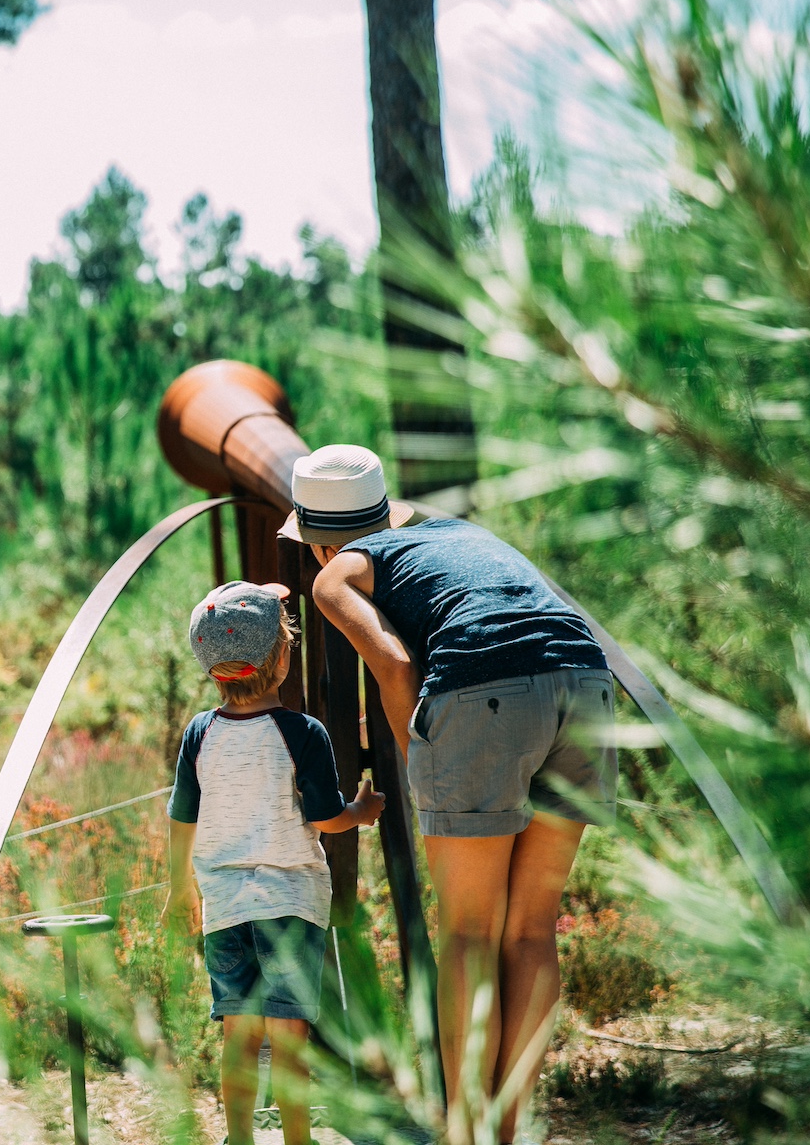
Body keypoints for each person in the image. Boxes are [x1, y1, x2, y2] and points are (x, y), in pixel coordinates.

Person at [283, 443, 616, 1144]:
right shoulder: (455, 534)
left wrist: (417, 757)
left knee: (468, 931)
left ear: (316, 540)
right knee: (530, 928)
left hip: (484, 691)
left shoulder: (337, 571)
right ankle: (506, 1129)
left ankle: (465, 1133)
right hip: (586, 682)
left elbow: (394, 660)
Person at [164, 579, 386, 1145]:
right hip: (289, 903)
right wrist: (359, 812)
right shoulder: (301, 732)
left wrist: (180, 890)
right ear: (282, 656)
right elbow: (323, 818)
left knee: (239, 1036)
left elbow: (182, 817)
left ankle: (238, 1138)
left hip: (225, 908)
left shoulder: (200, 732)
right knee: (288, 1039)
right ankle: (297, 1141)